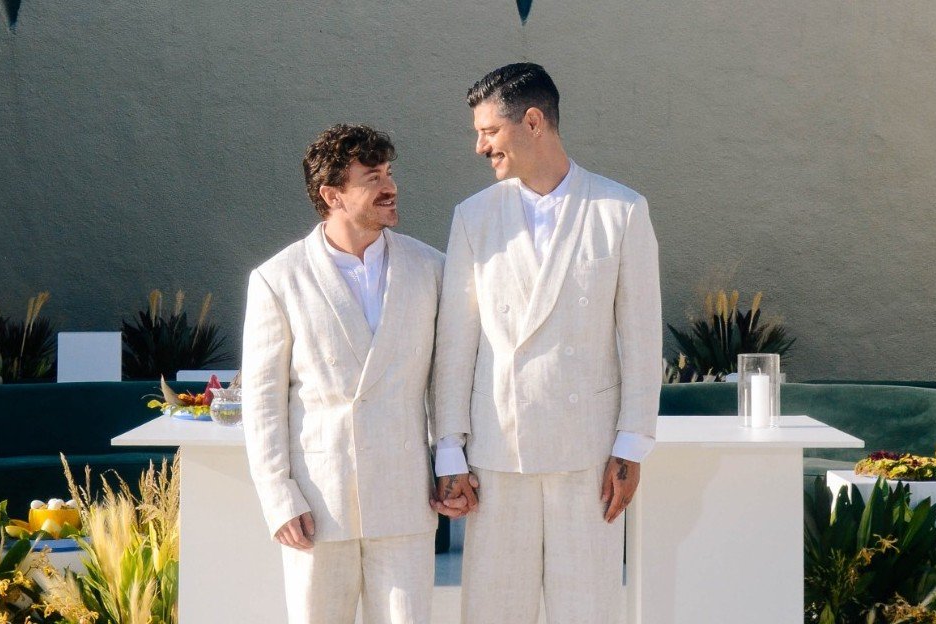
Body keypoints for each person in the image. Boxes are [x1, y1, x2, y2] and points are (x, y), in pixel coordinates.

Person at [431, 63, 662, 624]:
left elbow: (641, 335)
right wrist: (449, 448)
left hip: (587, 458)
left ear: (533, 121)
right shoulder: (473, 217)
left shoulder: (620, 211)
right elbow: (456, 343)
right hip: (495, 456)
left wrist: (631, 446)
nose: (479, 147)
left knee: (587, 610)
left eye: (488, 131)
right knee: (492, 611)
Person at [243, 124, 443, 624]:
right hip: (317, 503)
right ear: (332, 194)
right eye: (373, 178)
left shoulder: (432, 269)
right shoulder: (277, 279)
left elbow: (447, 381)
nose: (390, 187)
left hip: (404, 498)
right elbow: (263, 401)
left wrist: (451, 462)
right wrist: (278, 497)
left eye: (390, 173)